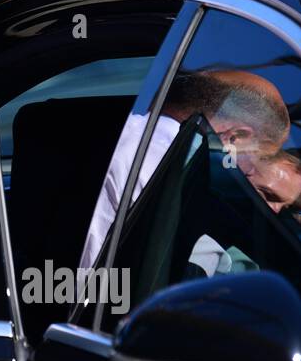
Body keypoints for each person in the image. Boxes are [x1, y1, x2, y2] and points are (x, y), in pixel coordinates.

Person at [78, 69, 289, 269]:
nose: (250, 172)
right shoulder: (168, 170)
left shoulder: (128, 134)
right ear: (236, 137)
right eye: (259, 157)